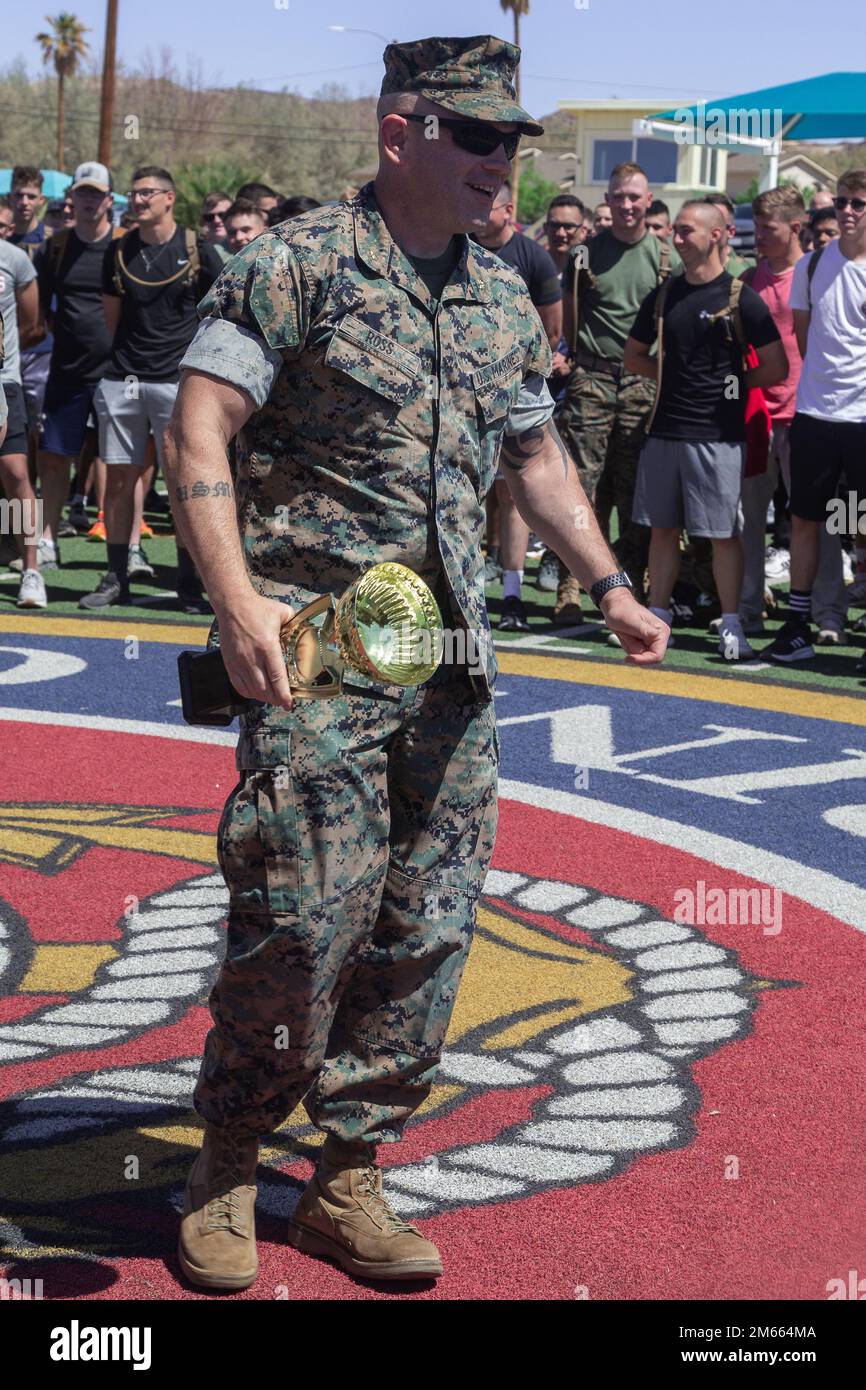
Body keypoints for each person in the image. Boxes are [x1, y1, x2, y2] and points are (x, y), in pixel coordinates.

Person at [164, 32, 666, 1294]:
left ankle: (346, 1173)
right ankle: (225, 1163)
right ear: (402, 136)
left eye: (515, 140)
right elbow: (199, 426)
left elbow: (536, 459)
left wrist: (607, 584)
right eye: (482, 137)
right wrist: (235, 606)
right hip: (320, 664)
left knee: (427, 929)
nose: (508, 164)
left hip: (451, 669)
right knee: (298, 925)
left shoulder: (502, 290)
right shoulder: (298, 263)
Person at [625, 200, 786, 659]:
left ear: (717, 235)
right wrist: (672, 376)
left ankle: (732, 622)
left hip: (719, 437)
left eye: (686, 231)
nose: (676, 238)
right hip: (665, 431)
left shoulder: (741, 296)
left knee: (721, 534)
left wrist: (728, 386)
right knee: (662, 528)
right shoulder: (665, 293)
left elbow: (774, 367)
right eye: (675, 230)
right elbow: (634, 354)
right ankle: (659, 615)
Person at [80, 164, 222, 611]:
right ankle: (116, 577)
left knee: (183, 482)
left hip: (178, 384)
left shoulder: (198, 250)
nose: (137, 200)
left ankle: (188, 584)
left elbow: (216, 319)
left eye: (146, 193)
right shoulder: (117, 252)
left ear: (169, 199)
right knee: (119, 481)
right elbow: (111, 320)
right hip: (122, 380)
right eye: (134, 193)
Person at [556, 161, 682, 624]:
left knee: (633, 493)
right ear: (606, 202)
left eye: (635, 197)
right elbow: (571, 317)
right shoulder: (583, 255)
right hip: (591, 378)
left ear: (648, 201)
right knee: (579, 488)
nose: (626, 205)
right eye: (618, 197)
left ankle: (628, 587)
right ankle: (571, 586)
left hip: (641, 384)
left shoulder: (668, 258)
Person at [762, 170, 866, 669]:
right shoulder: (813, 264)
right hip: (815, 414)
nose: (848, 211)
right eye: (843, 201)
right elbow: (804, 341)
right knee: (805, 518)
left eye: (859, 203)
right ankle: (798, 622)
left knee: (861, 518)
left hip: (863, 419)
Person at [737, 185, 846, 645]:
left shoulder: (818, 273)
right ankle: (747, 605)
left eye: (769, 228)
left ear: (796, 228)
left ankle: (828, 613)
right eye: (756, 227)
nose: (758, 236)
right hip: (757, 417)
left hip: (809, 414)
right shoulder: (746, 278)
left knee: (820, 523)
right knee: (746, 519)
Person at [473, 179, 562, 630]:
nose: (478, 208)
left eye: (488, 201)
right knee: (470, 495)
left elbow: (550, 330)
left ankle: (512, 594)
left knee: (514, 496)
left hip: (513, 395)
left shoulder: (532, 257)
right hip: (465, 394)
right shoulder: (460, 246)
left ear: (508, 210)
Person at [36, 163, 130, 572]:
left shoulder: (128, 246)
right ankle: (45, 540)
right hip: (66, 371)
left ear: (110, 199)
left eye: (96, 193)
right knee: (54, 458)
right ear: (71, 198)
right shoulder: (54, 247)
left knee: (117, 461)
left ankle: (118, 548)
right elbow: (37, 311)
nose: (89, 200)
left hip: (119, 372)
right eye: (82, 193)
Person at [0, 232, 45, 606]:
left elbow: (33, 326)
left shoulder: (13, 258)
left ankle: (30, 568)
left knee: (15, 473)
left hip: (4, 382)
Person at [9, 167, 53, 465]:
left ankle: (31, 493)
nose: (24, 201)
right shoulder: (3, 236)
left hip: (40, 347)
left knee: (38, 424)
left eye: (30, 196)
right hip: (6, 346)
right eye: (18, 195)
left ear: (41, 200)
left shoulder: (53, 241)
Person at [200, 190, 232, 264]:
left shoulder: (246, 245)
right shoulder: (196, 251)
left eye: (222, 215)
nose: (216, 221)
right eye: (209, 217)